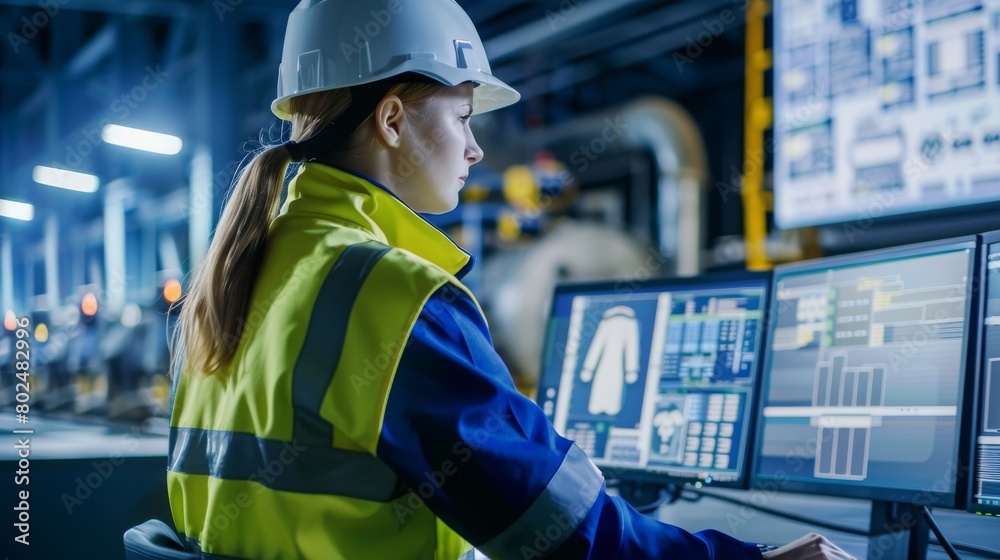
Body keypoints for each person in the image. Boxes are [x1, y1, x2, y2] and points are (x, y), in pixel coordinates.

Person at [166, 0, 857, 558]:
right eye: (463, 117)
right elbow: (558, 531)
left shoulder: (247, 269)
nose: (475, 148)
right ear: (393, 120)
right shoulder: (390, 294)